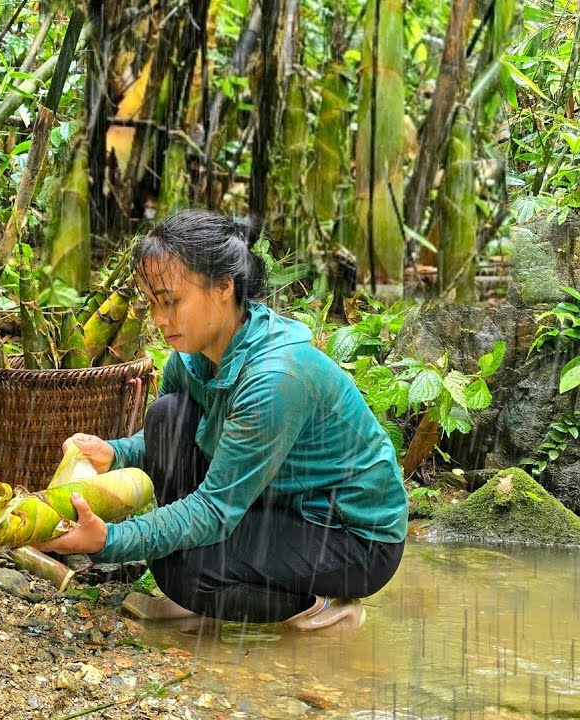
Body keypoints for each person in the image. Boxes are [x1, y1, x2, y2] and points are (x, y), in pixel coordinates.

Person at [37, 210, 407, 632]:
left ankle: (320, 605)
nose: (159, 319)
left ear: (223, 287)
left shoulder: (275, 380)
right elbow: (169, 438)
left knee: (186, 571)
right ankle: (214, 588)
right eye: (152, 303)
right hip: (275, 499)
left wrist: (109, 541)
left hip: (352, 537)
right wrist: (116, 453)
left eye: (171, 301)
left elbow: (215, 509)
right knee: (167, 415)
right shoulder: (192, 357)